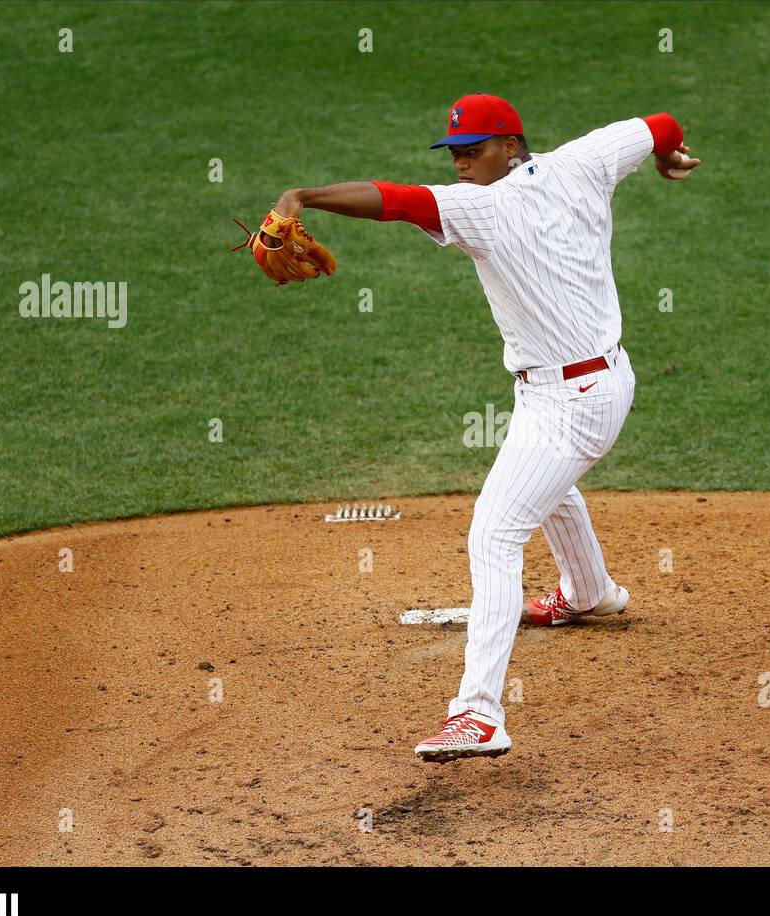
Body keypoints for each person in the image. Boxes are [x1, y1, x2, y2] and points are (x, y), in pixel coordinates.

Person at [269, 93, 700, 762]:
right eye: (455, 153)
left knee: (495, 534)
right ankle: (590, 592)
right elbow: (660, 126)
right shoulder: (585, 161)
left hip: (573, 402)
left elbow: (395, 199)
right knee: (541, 480)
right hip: (596, 381)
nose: (463, 162)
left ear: (511, 145)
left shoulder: (481, 210)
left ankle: (478, 714)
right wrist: (669, 152)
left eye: (474, 150)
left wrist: (302, 196)